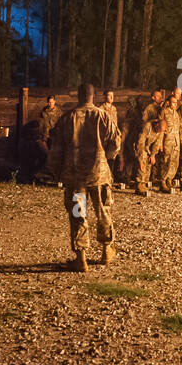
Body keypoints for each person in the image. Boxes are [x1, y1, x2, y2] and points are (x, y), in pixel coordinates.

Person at [48, 83, 122, 273]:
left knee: (77, 213)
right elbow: (115, 142)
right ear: (93, 96)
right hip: (98, 173)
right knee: (103, 211)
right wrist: (106, 157)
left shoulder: (67, 118)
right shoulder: (102, 116)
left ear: (79, 96)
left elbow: (56, 148)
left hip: (75, 176)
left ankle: (81, 258)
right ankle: (106, 250)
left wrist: (56, 171)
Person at [159, 92, 181, 193]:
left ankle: (169, 179)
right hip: (167, 141)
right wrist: (160, 143)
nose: (175, 104)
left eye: (176, 103)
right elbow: (161, 129)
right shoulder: (164, 112)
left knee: (174, 162)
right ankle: (163, 181)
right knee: (166, 161)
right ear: (169, 103)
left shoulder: (176, 114)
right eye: (173, 102)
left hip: (176, 141)